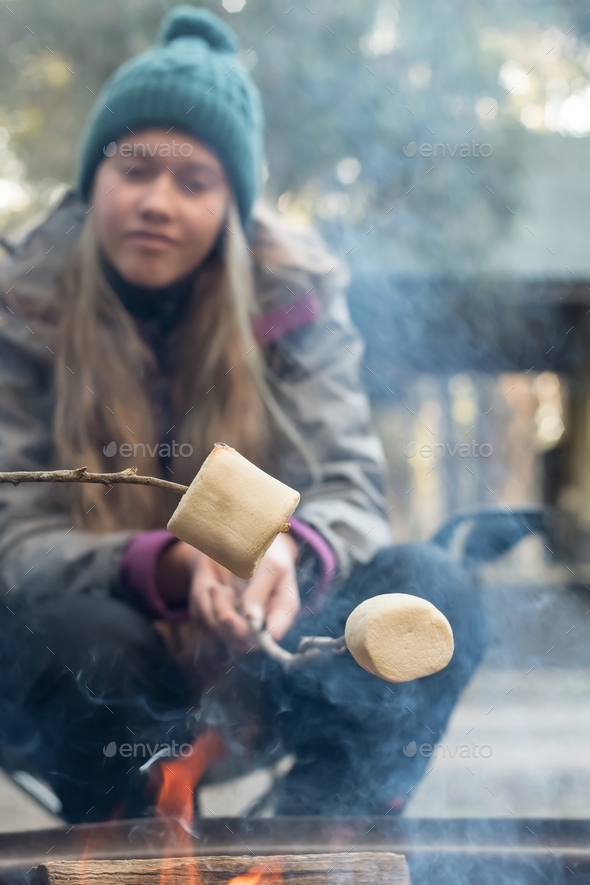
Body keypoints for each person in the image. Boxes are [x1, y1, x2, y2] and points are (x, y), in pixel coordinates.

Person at [0, 5, 487, 824]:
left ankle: (312, 842)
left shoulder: (293, 302)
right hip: (103, 669)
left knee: (436, 589)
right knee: (80, 638)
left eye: (193, 182)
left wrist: (293, 554)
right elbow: (13, 532)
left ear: (232, 203)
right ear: (93, 182)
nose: (157, 201)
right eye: (133, 171)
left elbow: (349, 485)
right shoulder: (23, 307)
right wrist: (170, 565)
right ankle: (126, 850)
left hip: (272, 649)